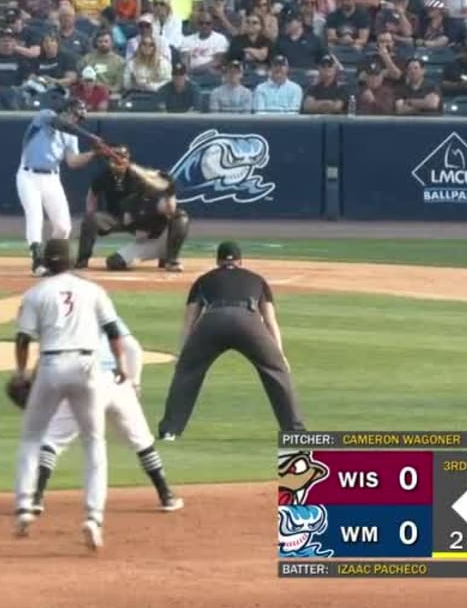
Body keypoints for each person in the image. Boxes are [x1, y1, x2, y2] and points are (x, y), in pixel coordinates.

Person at [10, 238, 129, 551]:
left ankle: (24, 506)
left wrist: (22, 372)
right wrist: (121, 365)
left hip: (50, 365)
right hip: (88, 366)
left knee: (31, 438)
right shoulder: (93, 290)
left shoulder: (35, 293)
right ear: (73, 260)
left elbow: (23, 339)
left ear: (47, 263)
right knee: (93, 441)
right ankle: (93, 517)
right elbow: (114, 331)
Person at [27, 311, 184, 517]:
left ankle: (36, 498)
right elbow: (133, 349)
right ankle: (166, 495)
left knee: (52, 440)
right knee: (142, 441)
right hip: (115, 383)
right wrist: (134, 382)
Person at [157, 242, 307, 440]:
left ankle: (170, 431)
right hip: (248, 321)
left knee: (187, 373)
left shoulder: (203, 280)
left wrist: (183, 355)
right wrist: (280, 355)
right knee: (277, 372)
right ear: (240, 261)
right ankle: (295, 432)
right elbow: (271, 322)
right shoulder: (257, 280)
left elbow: (189, 322)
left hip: (212, 321)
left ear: (218, 261)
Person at [17, 99, 104, 277]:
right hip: (28, 175)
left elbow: (72, 161)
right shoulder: (46, 116)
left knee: (63, 226)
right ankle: (37, 261)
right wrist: (90, 137)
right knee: (35, 215)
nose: (76, 121)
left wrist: (95, 153)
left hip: (52, 178)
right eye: (75, 116)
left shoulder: (71, 135)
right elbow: (60, 124)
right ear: (66, 111)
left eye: (79, 119)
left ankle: (53, 257)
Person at [76, 146, 190, 272]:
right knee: (92, 220)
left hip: (144, 221)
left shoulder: (141, 180)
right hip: (117, 216)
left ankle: (170, 259)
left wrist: (170, 192)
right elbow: (92, 195)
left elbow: (169, 209)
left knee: (179, 215)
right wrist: (91, 216)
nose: (118, 162)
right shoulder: (103, 176)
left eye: (122, 158)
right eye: (115, 159)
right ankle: (82, 261)